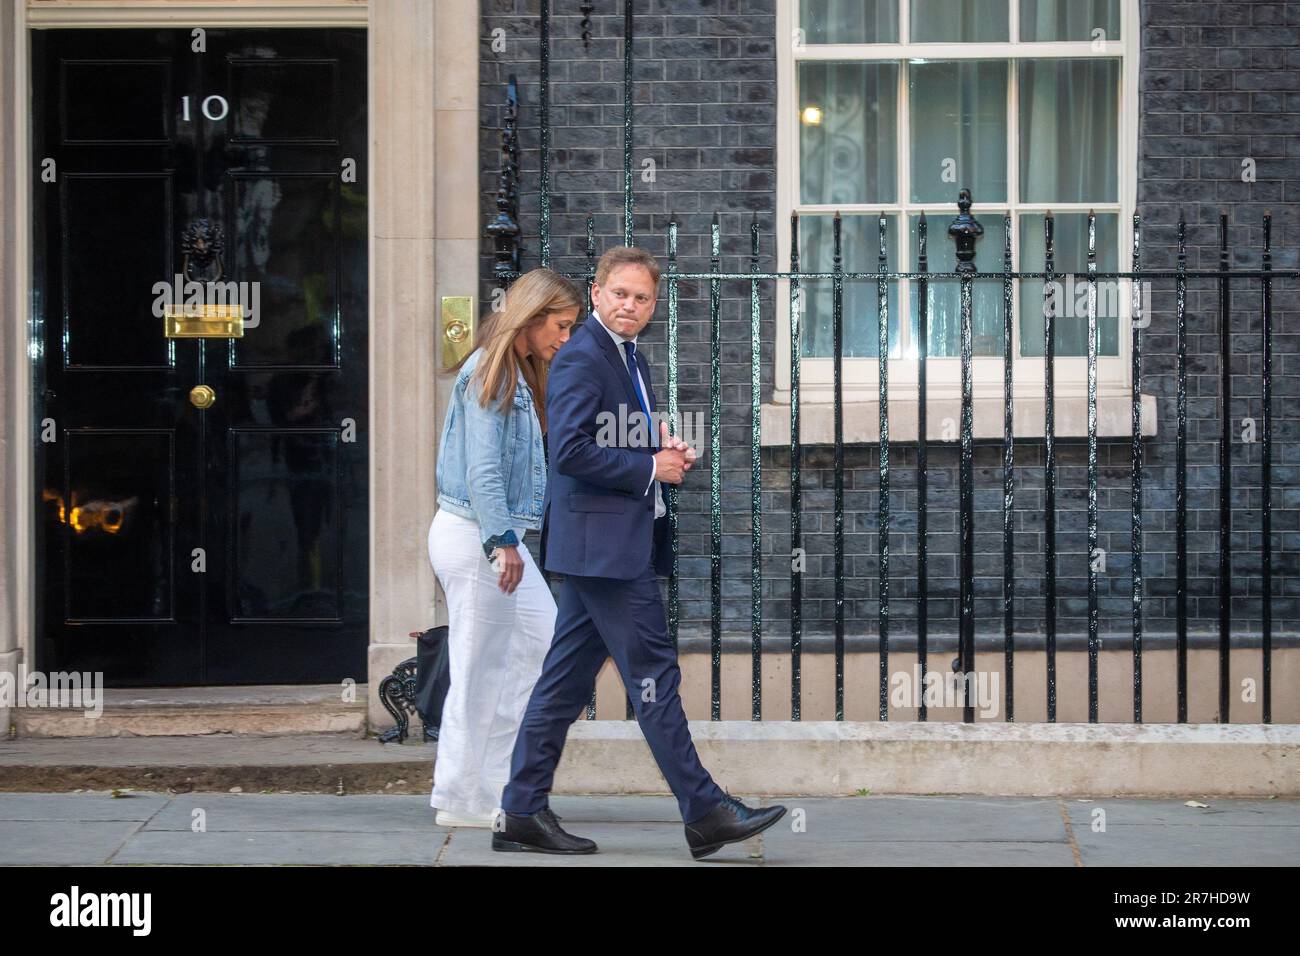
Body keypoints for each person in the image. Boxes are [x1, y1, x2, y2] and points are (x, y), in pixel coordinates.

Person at [494, 247, 787, 860]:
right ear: (597, 294)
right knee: (653, 672)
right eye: (620, 294)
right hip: (604, 551)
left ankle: (520, 810)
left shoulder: (628, 356)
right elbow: (568, 451)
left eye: (642, 298)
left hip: (601, 548)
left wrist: (661, 444)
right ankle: (705, 811)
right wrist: (650, 467)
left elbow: (613, 435)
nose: (630, 305)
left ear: (653, 306)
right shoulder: (582, 356)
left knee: (563, 684)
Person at [427, 268, 580, 827]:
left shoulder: (517, 370)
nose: (565, 338)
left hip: (494, 536)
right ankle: (459, 798)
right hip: (478, 536)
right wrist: (502, 543)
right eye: (560, 325)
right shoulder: (490, 370)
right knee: (478, 669)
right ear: (531, 316)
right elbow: (483, 470)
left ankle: (495, 784)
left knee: (541, 643)